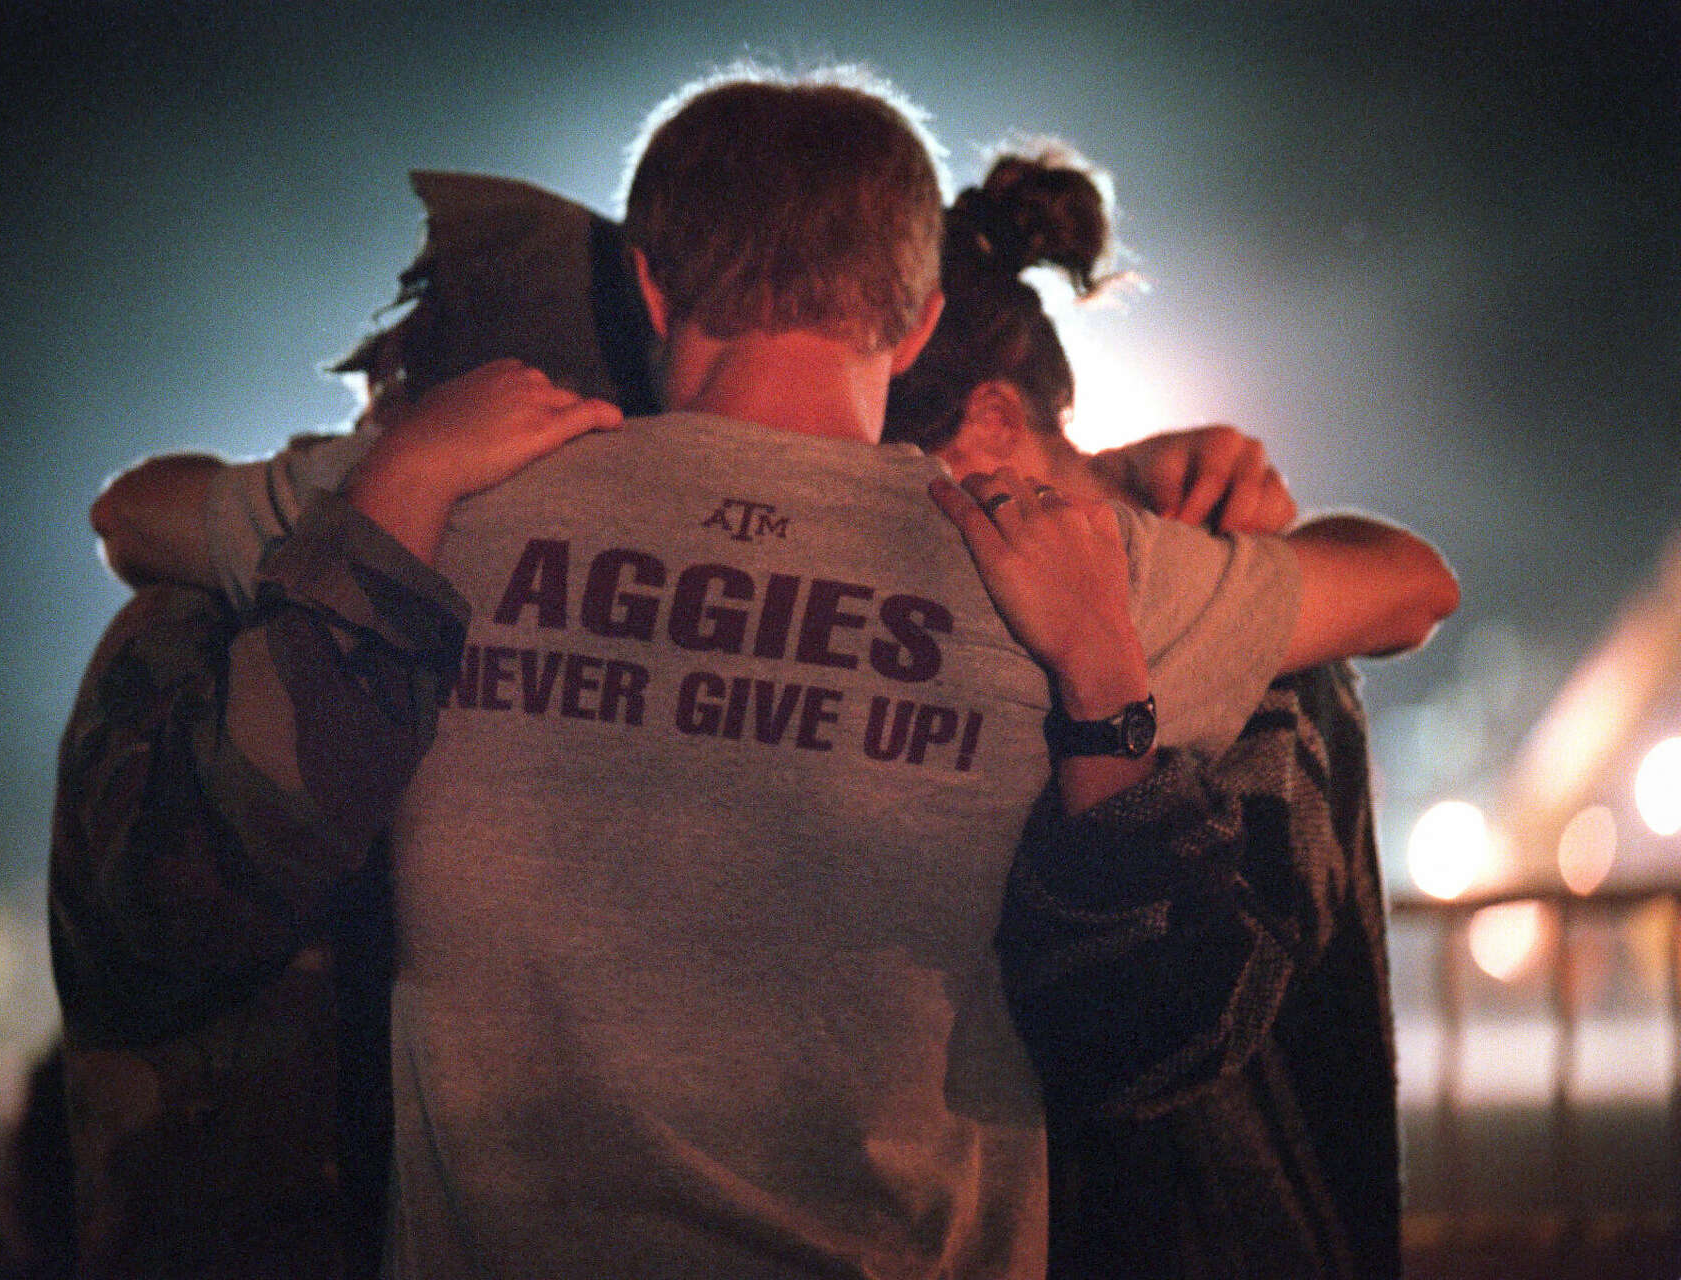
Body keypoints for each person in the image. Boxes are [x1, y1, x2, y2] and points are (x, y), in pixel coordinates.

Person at [77, 68, 1452, 1276]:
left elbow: (136, 513)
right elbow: (1407, 587)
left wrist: (396, 469)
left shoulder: (453, 496)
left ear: (652, 285)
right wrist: (1117, 488)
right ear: (913, 328)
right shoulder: (1048, 561)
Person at [889, 147, 1409, 1277]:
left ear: (982, 421)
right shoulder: (1174, 570)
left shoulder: (1211, 614)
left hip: (1206, 1221)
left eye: (884, 449)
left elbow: (1190, 1032)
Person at [49, 360, 619, 1278]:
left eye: (400, 372)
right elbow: (190, 887)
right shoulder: (209, 616)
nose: (377, 390)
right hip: (262, 1210)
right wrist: (398, 482)